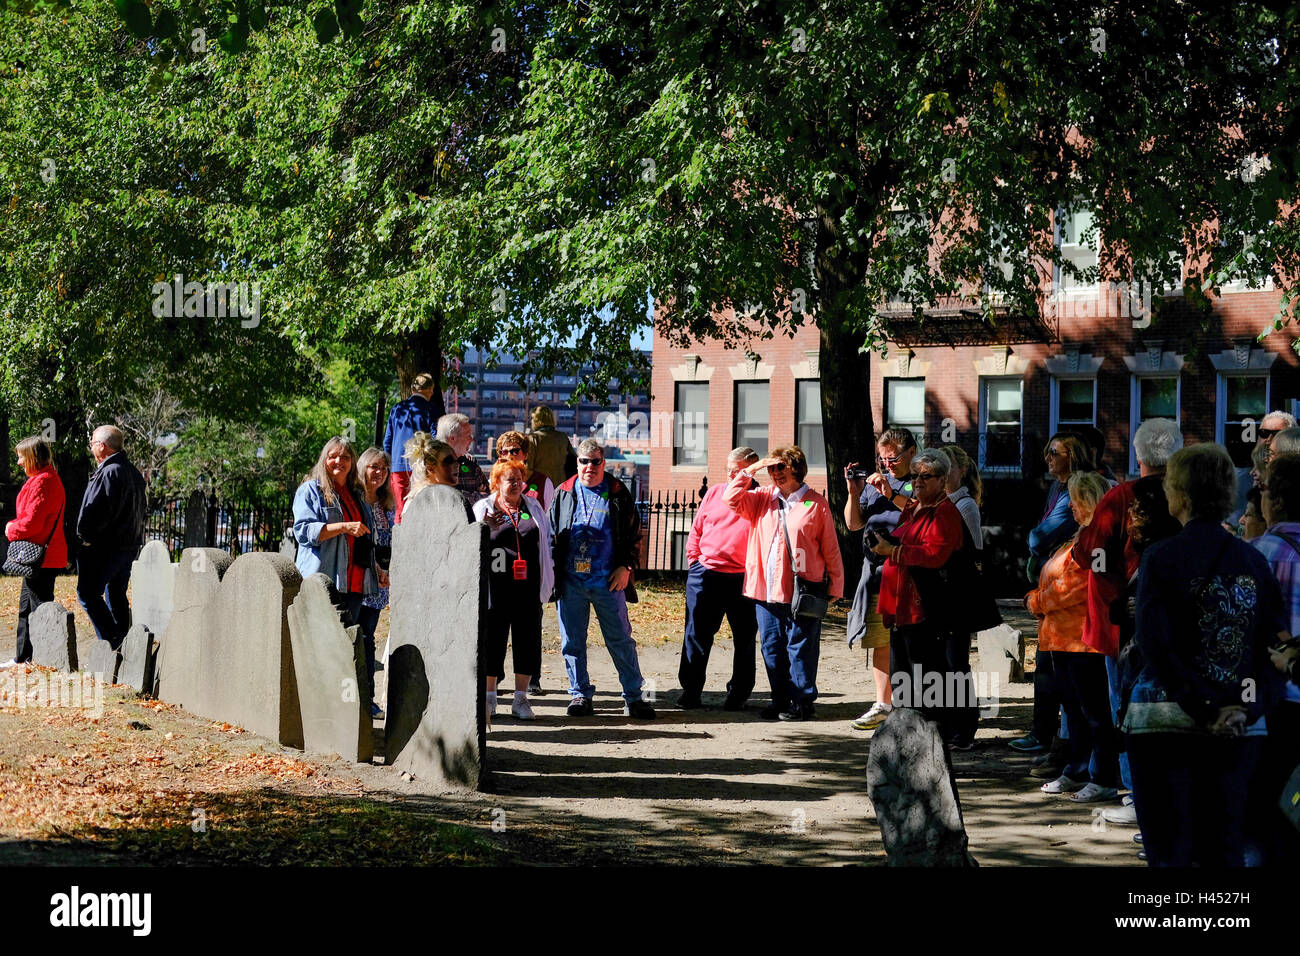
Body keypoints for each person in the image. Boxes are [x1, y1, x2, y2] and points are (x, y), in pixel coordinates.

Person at [1124, 443, 1286, 867]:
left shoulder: (1160, 557)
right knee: (1223, 848)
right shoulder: (1254, 560)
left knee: (1168, 852)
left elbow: (1155, 646)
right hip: (1237, 729)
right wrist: (1244, 711)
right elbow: (1275, 651)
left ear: (1178, 494)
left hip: (1165, 723)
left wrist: (1200, 705)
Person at [726, 445, 844, 721]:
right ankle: (779, 700)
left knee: (801, 646)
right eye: (772, 468)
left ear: (796, 468)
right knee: (771, 647)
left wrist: (835, 585)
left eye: (781, 467)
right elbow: (730, 499)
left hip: (803, 589)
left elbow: (831, 548)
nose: (775, 473)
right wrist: (751, 470)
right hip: (765, 588)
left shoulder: (816, 503)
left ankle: (802, 701)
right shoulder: (763, 498)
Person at [1025, 471, 1120, 803]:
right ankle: (1078, 768)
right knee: (1075, 709)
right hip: (1062, 638)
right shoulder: (1081, 537)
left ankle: (1101, 774)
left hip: (1082, 639)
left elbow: (1074, 587)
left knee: (1092, 711)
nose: (1073, 509)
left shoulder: (1094, 539)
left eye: (1077, 502)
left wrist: (1036, 601)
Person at [548, 438, 654, 719]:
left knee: (620, 640)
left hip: (609, 581)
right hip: (571, 583)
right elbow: (550, 535)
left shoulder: (618, 492)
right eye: (584, 461)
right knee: (572, 641)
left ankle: (634, 697)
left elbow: (634, 534)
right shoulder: (564, 492)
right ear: (577, 463)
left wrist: (626, 567)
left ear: (603, 463)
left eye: (596, 461)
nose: (590, 467)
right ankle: (579, 694)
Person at [871, 448, 966, 737]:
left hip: (925, 608)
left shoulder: (946, 511)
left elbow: (934, 555)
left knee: (927, 676)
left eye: (926, 476)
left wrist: (893, 551)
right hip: (901, 607)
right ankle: (909, 731)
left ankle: (931, 735)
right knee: (903, 674)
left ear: (942, 479)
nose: (919, 482)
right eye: (915, 476)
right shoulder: (913, 508)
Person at [676, 447, 760, 711]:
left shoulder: (761, 497)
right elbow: (698, 528)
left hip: (743, 578)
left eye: (739, 470)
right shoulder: (713, 492)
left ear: (752, 471)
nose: (732, 475)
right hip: (706, 574)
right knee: (696, 635)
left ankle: (738, 693)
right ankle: (690, 690)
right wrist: (694, 560)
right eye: (729, 470)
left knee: (744, 639)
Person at [845, 427, 918, 731]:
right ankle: (882, 703)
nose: (887, 464)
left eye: (894, 458)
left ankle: (911, 705)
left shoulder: (920, 481)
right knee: (880, 639)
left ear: (912, 452)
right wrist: (854, 491)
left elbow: (922, 515)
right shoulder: (873, 486)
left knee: (910, 641)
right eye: (882, 459)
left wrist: (893, 493)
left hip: (907, 574)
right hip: (875, 573)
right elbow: (852, 524)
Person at [473, 460, 554, 722]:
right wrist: (485, 528)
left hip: (527, 589)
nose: (517, 483)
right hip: (495, 589)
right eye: (510, 479)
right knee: (492, 642)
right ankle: (490, 697)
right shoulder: (483, 508)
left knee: (527, 643)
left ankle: (521, 699)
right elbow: (471, 543)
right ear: (496, 483)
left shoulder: (534, 506)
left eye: (520, 478)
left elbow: (544, 542)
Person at [1248, 451, 1300, 864]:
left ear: (1277, 501)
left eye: (1263, 489)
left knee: (1266, 814)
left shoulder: (1260, 553)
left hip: (1274, 701)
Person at [292, 436, 383, 629]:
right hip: (326, 582)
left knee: (346, 648)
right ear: (324, 459)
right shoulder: (310, 490)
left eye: (345, 457)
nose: (339, 461)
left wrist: (375, 568)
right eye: (333, 456)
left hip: (355, 586)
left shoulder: (357, 494)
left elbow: (362, 538)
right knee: (320, 645)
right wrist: (344, 526)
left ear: (352, 462)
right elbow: (303, 531)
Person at [75, 425, 147, 649]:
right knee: (116, 594)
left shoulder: (109, 471)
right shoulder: (133, 472)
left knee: (87, 593)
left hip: (105, 547)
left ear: (102, 446)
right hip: (127, 546)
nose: (91, 447)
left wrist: (85, 537)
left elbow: (96, 510)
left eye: (93, 443)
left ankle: (113, 642)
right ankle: (127, 644)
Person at [3, 437, 67, 667]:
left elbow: (32, 524)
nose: (18, 462)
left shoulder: (44, 482)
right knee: (26, 609)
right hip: (38, 557)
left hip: (42, 558)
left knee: (40, 610)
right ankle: (23, 658)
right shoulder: (41, 479)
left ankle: (43, 660)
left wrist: (11, 528)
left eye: (21, 457)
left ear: (32, 457)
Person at [939, 444, 988, 748]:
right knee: (944, 664)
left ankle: (964, 727)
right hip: (941, 595)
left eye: (946, 467)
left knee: (956, 663)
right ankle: (950, 723)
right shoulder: (940, 502)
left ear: (960, 470)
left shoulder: (965, 505)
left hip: (956, 596)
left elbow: (974, 553)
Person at [356, 447, 395, 719]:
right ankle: (354, 698)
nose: (379, 473)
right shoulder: (355, 500)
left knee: (369, 639)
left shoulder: (385, 504)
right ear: (363, 468)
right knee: (355, 638)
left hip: (380, 583)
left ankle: (367, 700)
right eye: (374, 467)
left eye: (383, 468)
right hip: (358, 578)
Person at [382, 372, 446, 523]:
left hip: (398, 467)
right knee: (422, 509)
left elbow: (387, 441)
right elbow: (437, 440)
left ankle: (397, 544)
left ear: (412, 389)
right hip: (422, 468)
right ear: (431, 391)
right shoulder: (432, 410)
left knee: (400, 509)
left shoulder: (397, 409)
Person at [1026, 433, 1090, 582]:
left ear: (1071, 456)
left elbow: (1037, 539)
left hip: (1066, 573)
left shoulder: (1075, 491)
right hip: (1052, 567)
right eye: (1047, 452)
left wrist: (1034, 543)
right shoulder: (1057, 486)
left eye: (1053, 453)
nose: (1047, 458)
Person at [437, 413, 489, 509]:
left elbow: (489, 498)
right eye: (467, 435)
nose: (472, 440)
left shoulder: (471, 464)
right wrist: (475, 495)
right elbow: (441, 499)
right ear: (452, 438)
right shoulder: (431, 465)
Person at [495, 431, 555, 511]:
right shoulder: (494, 483)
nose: (509, 456)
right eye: (504, 452)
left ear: (526, 455)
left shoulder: (544, 483)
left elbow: (549, 518)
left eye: (515, 451)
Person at [527, 405, 577, 490]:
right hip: (561, 486)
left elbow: (528, 467)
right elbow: (573, 462)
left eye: (532, 419)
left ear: (536, 420)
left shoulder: (533, 438)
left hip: (539, 487)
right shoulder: (562, 437)